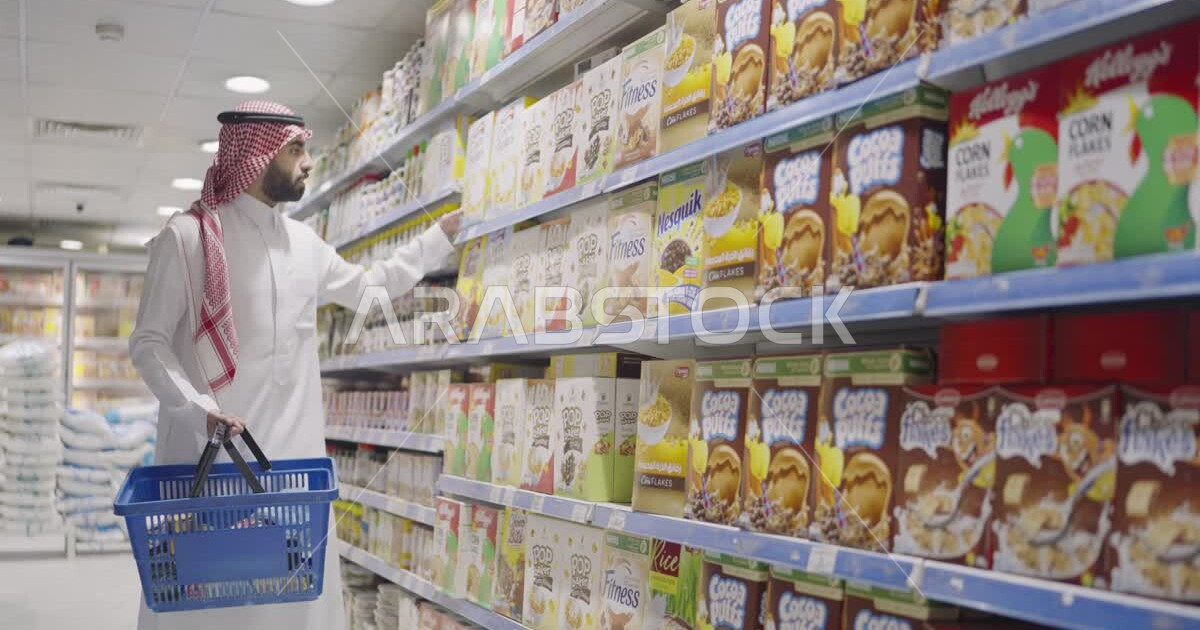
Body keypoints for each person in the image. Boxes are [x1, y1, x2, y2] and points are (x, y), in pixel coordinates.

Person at [129, 100, 461, 629]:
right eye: (296, 149)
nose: (308, 161)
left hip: (294, 480)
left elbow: (371, 288)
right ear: (257, 154)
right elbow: (148, 343)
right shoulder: (188, 238)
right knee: (206, 613)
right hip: (208, 467)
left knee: (292, 610)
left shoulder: (304, 243)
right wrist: (199, 409)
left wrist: (438, 239)